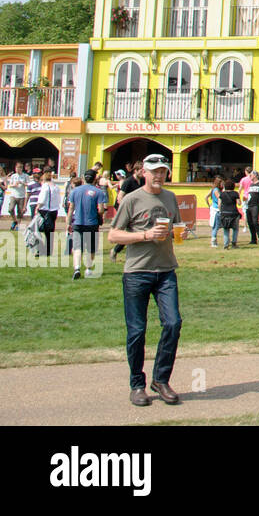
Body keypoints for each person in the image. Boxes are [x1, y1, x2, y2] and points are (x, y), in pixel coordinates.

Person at [105, 153, 183, 407]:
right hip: (137, 272)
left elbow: (178, 230)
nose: (159, 175)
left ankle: (161, 380)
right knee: (137, 331)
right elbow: (114, 236)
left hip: (166, 270)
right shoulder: (132, 199)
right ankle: (137, 384)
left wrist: (179, 233)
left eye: (163, 171)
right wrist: (145, 235)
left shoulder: (170, 197)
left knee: (173, 323)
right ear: (144, 173)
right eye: (155, 171)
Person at [68, 173, 108, 279]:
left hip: (77, 222)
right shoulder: (98, 192)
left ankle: (77, 268)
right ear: (95, 179)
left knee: (77, 247)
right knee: (91, 247)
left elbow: (71, 208)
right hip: (92, 223)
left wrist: (68, 223)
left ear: (84, 179)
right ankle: (88, 269)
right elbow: (101, 209)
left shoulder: (75, 191)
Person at [35, 171, 61, 257]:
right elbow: (58, 200)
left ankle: (40, 249)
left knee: (38, 229)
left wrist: (37, 207)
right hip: (54, 211)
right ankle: (48, 250)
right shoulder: (56, 187)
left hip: (45, 210)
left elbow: (42, 199)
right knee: (50, 232)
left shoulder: (45, 187)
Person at [216, 176, 242, 249]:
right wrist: (239, 200)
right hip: (234, 213)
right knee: (235, 229)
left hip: (224, 213)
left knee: (226, 229)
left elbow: (219, 204)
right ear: (233, 186)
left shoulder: (222, 194)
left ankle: (226, 245)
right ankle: (234, 243)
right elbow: (239, 203)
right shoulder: (235, 193)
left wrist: (221, 211)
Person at [245, 171, 259, 246]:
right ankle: (253, 239)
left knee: (255, 222)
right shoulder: (251, 185)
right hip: (249, 205)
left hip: (255, 206)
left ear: (255, 176)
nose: (250, 176)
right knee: (250, 222)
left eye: (251, 175)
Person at [205, 179, 222, 247]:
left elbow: (206, 197)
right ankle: (213, 241)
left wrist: (209, 205)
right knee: (216, 226)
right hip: (216, 209)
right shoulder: (216, 190)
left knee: (215, 226)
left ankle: (214, 240)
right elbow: (219, 199)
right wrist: (220, 208)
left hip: (213, 208)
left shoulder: (212, 189)